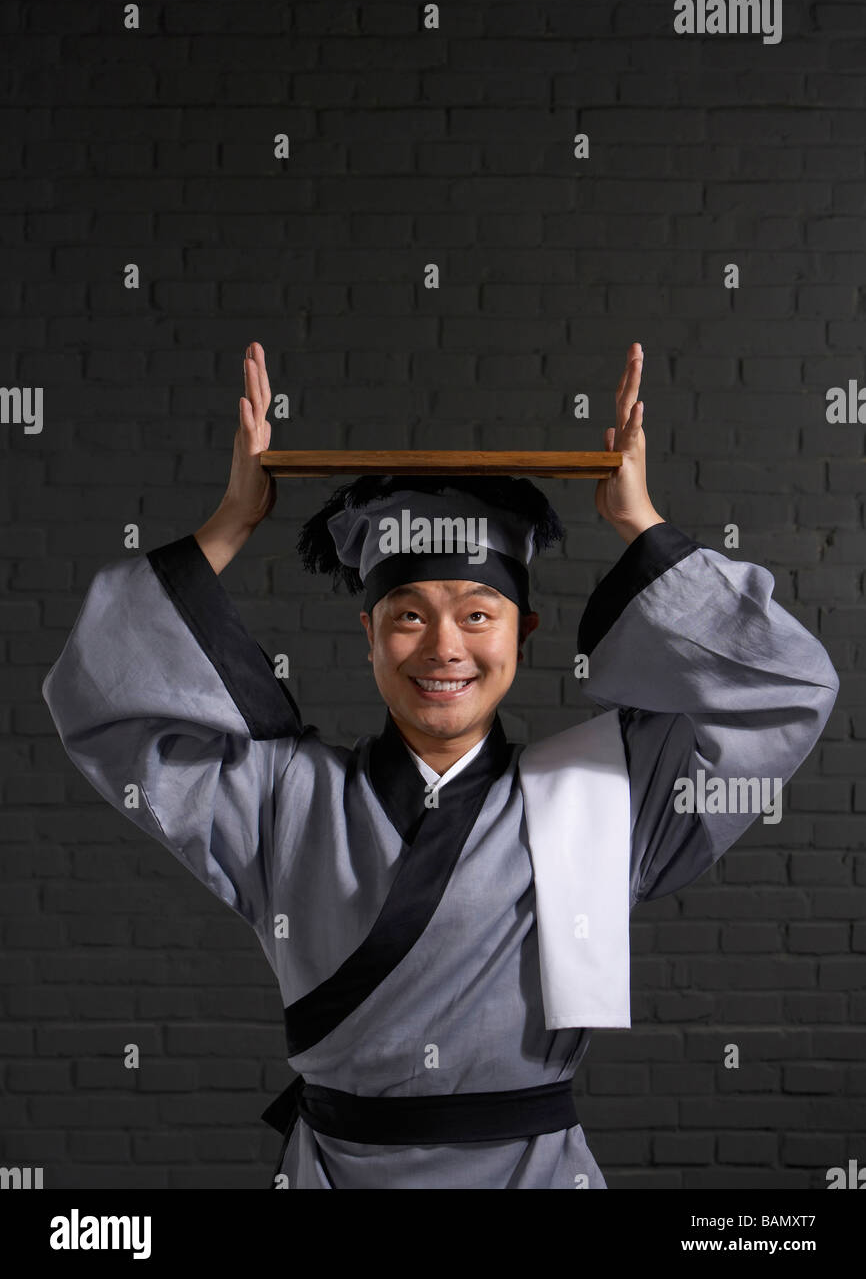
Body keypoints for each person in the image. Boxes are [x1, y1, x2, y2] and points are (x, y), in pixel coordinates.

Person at [42, 341, 839, 1189]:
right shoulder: (281, 796)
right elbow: (100, 693)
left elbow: (786, 687)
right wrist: (231, 520)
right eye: (409, 615)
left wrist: (641, 527)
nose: (445, 647)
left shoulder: (604, 797)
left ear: (523, 634)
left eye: (478, 613)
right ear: (371, 638)